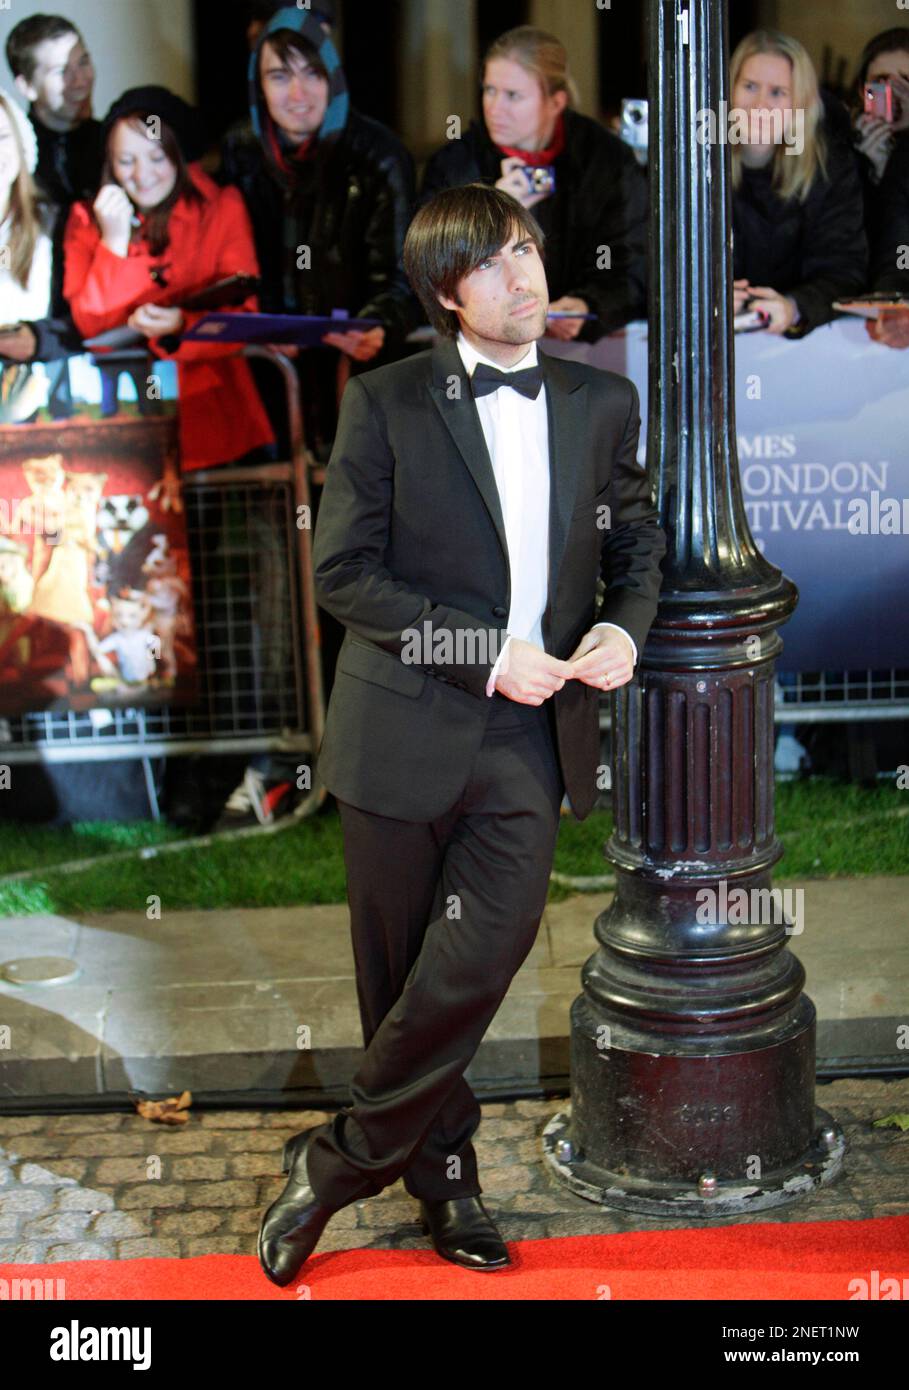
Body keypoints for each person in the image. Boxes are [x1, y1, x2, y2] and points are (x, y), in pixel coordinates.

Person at [256, 183, 667, 1285]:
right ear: (449, 291)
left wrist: (625, 631)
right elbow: (345, 575)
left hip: (529, 742)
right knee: (400, 985)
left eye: (529, 248)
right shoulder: (386, 401)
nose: (523, 274)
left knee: (475, 962)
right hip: (400, 733)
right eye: (493, 261)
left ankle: (335, 1164)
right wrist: (480, 650)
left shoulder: (598, 400)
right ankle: (448, 1185)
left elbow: (637, 546)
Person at [218, 3, 420, 455]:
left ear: (333, 75)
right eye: (278, 76)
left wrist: (378, 323)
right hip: (271, 367)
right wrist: (263, 321)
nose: (298, 93)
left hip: (362, 369)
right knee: (277, 503)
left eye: (312, 73)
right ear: (258, 83)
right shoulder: (241, 151)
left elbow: (407, 273)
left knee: (362, 502)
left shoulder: (379, 154)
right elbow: (233, 262)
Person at [63, 86, 274, 473]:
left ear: (178, 155)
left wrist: (184, 325)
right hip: (126, 424)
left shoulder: (220, 206)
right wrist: (113, 243)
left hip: (213, 416)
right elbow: (90, 325)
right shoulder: (86, 219)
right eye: (126, 161)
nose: (142, 176)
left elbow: (246, 314)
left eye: (157, 157)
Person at [419, 25, 648, 343]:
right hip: (487, 342)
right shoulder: (456, 163)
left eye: (513, 95)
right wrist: (493, 217)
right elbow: (430, 270)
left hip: (590, 347)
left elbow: (635, 262)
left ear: (556, 102)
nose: (495, 108)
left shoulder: (605, 160)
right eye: (489, 90)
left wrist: (589, 305)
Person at [729, 29, 868, 337]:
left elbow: (845, 269)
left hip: (803, 351)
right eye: (750, 86)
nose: (760, 105)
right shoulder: (694, 164)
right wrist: (703, 297)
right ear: (729, 90)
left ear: (800, 103)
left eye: (777, 92)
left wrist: (794, 307)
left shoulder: (829, 169)